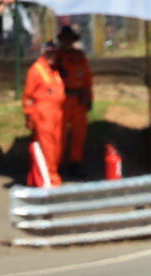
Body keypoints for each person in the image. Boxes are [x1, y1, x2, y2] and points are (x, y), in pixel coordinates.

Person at [22, 40, 64, 186]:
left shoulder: (53, 70)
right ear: (44, 53)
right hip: (43, 116)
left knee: (56, 147)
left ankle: (44, 178)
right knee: (47, 149)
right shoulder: (36, 70)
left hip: (56, 114)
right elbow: (28, 97)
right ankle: (50, 180)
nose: (52, 56)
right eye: (49, 53)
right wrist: (30, 118)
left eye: (54, 53)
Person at [56, 24, 91, 175]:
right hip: (62, 99)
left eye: (70, 39)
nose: (67, 42)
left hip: (78, 99)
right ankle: (56, 163)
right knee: (60, 133)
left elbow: (87, 78)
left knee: (79, 133)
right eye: (65, 39)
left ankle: (75, 164)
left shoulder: (80, 56)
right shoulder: (56, 57)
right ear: (61, 40)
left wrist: (89, 98)